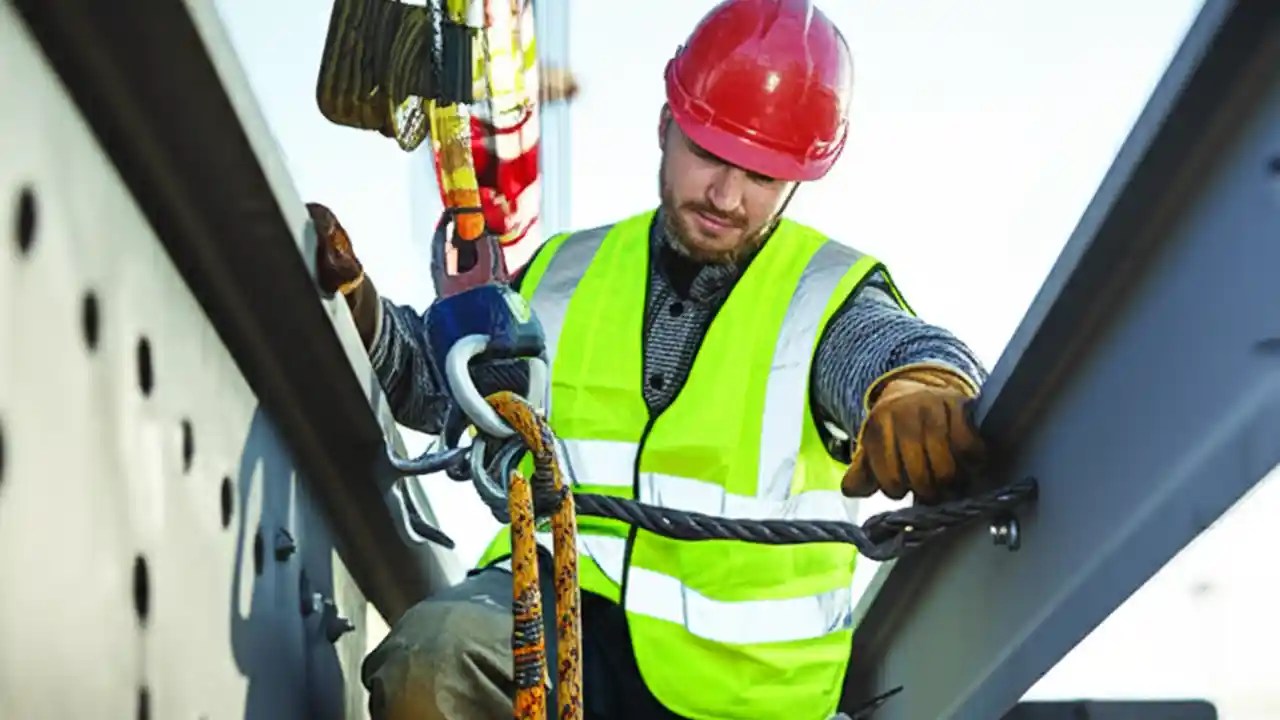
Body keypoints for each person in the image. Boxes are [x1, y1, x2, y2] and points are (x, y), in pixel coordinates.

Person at [311, 1, 988, 718]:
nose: (726, 196)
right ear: (667, 126)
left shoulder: (821, 296)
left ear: (797, 179)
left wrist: (917, 389)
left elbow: (904, 351)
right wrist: (357, 309)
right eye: (709, 154)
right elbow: (445, 382)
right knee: (432, 663)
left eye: (761, 176)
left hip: (743, 698)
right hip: (566, 627)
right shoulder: (566, 273)